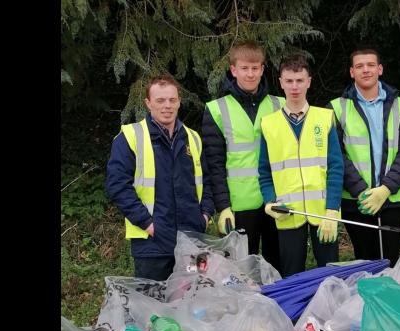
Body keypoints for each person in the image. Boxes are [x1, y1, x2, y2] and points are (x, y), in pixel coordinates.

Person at [105, 74, 214, 282]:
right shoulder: (130, 136)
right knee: (151, 300)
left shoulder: (193, 138)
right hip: (152, 243)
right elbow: (117, 185)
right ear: (148, 103)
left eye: (172, 100)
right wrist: (147, 223)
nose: (167, 106)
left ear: (179, 102)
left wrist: (205, 215)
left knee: (194, 298)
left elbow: (206, 182)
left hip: (192, 240)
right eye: (160, 100)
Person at [202, 41, 286, 272]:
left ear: (262, 69)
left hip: (275, 200)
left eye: (255, 68)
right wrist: (223, 206)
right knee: (240, 272)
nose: (250, 74)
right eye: (244, 68)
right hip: (238, 205)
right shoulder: (217, 109)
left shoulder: (280, 105)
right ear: (233, 69)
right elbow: (214, 165)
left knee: (276, 267)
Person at [330, 47, 400, 266]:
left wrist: (386, 188)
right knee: (364, 261)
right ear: (352, 72)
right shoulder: (337, 108)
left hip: (392, 198)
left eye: (370, 65)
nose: (365, 70)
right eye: (359, 66)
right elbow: (336, 154)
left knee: (389, 261)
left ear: (380, 69)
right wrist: (362, 191)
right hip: (356, 200)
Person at [258, 54, 344, 276]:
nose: (294, 86)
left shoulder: (324, 118)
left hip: (323, 213)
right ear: (281, 83)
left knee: (330, 277)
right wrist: (270, 201)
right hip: (288, 213)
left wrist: (332, 209)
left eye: (299, 80)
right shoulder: (269, 124)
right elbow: (264, 171)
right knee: (292, 276)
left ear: (309, 82)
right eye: (289, 81)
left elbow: (336, 167)